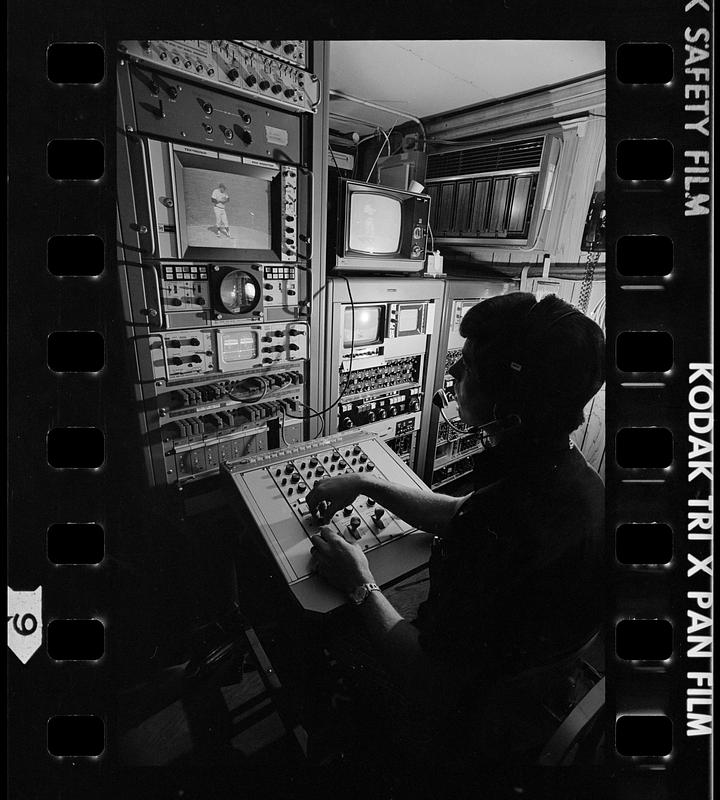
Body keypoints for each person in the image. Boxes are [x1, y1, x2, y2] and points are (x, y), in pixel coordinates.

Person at [305, 292, 605, 796]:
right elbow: (461, 513)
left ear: (507, 402)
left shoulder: (503, 524)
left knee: (321, 626)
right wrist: (367, 483)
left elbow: (427, 677)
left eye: (467, 368)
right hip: (538, 691)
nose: (454, 376)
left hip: (460, 722)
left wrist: (359, 584)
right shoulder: (571, 478)